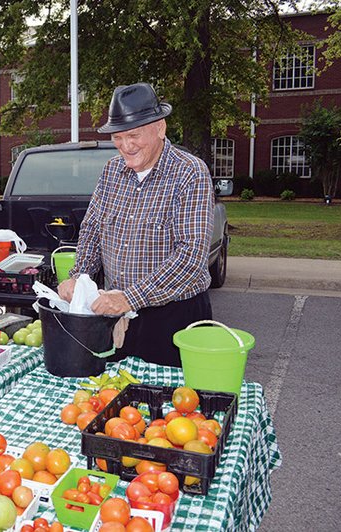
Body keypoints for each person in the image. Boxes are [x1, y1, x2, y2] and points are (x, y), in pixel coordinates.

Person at [58, 82, 214, 367]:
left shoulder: (190, 173)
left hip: (173, 317)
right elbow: (93, 229)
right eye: (118, 137)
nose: (126, 146)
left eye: (134, 135)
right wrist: (79, 276)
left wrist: (130, 298)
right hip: (117, 313)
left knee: (172, 407)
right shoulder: (111, 171)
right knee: (117, 398)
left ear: (160, 128)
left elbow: (191, 258)